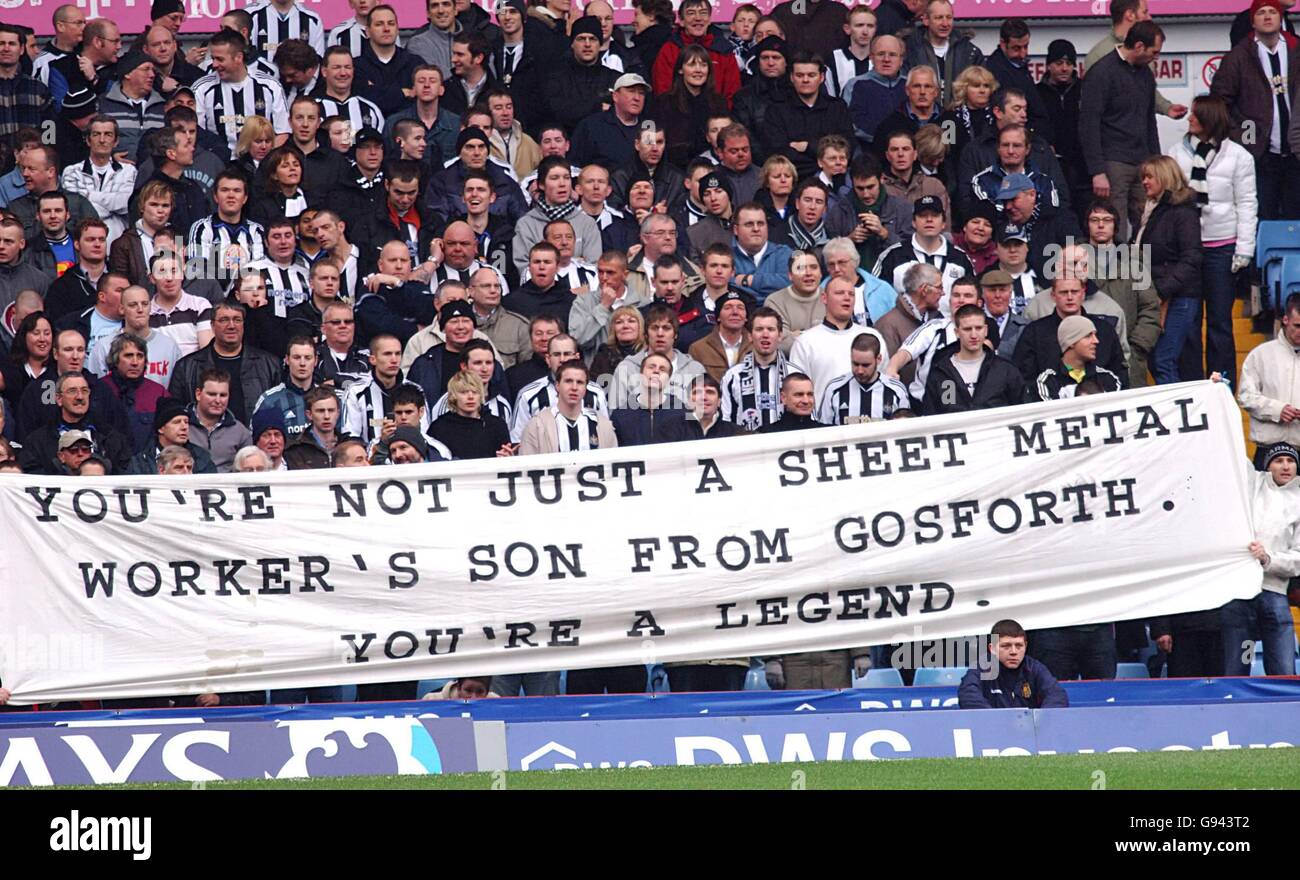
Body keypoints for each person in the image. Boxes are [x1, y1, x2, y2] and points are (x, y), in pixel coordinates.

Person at [1169, 95, 1258, 386]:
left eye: (1195, 115)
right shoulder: (1176, 153)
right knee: (1189, 324)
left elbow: (1247, 204)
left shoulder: (1239, 156)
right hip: (1187, 251)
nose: (1189, 119)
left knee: (1220, 323)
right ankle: (1193, 388)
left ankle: (1224, 389)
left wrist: (1244, 250)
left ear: (1209, 119)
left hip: (1222, 249)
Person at [1079, 20, 1164, 241]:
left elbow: (1149, 120)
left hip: (1143, 161)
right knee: (1114, 226)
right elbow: (1088, 124)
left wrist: (1156, 163)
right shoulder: (1101, 73)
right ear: (1138, 46)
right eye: (1154, 52)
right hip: (1113, 163)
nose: (1157, 57)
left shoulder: (1145, 74)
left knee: (1149, 223)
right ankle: (1115, 273)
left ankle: (1145, 272)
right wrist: (1097, 171)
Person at [1222, 442, 1300, 677]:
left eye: (1290, 461)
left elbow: (1298, 557)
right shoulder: (1252, 485)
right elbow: (1231, 449)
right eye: (1278, 461)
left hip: (1274, 592)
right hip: (1240, 593)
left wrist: (1268, 559)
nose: (1285, 466)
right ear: (1268, 466)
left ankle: (1286, 712)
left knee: (1283, 671)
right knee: (1237, 668)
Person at [1135, 155, 1202, 385]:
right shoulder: (1152, 211)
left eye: (1150, 176)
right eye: (1143, 177)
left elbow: (1192, 258)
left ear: (1165, 177)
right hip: (1159, 294)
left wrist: (1162, 290)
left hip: (1179, 297)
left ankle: (1177, 418)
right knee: (1159, 360)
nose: (1144, 182)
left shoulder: (1183, 213)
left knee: (1163, 359)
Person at [169, 298, 280, 425]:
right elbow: (175, 414)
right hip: (202, 442)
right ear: (212, 325)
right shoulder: (187, 367)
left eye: (237, 320)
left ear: (244, 324)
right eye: (224, 320)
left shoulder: (269, 364)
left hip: (254, 441)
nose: (231, 326)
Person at [1013, 275, 1127, 390]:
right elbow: (1023, 378)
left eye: (1074, 291)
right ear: (1053, 295)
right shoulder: (1034, 332)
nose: (1069, 297)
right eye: (1063, 292)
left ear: (1083, 293)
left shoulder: (1104, 330)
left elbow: (1120, 373)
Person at [790, 276, 888, 404]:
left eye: (851, 294)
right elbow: (796, 389)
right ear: (824, 298)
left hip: (868, 420)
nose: (847, 297)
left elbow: (885, 380)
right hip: (823, 422)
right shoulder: (805, 342)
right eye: (840, 293)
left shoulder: (872, 337)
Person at [194, 29, 290, 157]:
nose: (215, 64)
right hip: (219, 165)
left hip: (260, 165)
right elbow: (196, 133)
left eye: (220, 59)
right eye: (213, 59)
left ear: (239, 57)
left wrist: (265, 163)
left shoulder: (270, 86)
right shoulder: (201, 88)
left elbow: (282, 132)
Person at [761, 50, 855, 180]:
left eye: (811, 75)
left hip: (835, 180)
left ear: (821, 77)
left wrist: (807, 146)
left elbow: (847, 146)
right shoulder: (777, 110)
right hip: (793, 181)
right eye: (800, 75)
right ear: (791, 77)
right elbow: (777, 153)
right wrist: (823, 159)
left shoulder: (837, 107)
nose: (805, 80)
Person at [18, 372, 132, 474]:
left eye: (84, 391)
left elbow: (126, 475)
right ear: (59, 399)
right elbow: (30, 478)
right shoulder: (37, 441)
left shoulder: (112, 438)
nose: (80, 397)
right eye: (72, 391)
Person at [921, 303, 1024, 414]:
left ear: (985, 331)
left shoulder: (1006, 370)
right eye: (967, 329)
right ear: (957, 333)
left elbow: (1024, 412)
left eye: (978, 328)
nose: (974, 335)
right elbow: (931, 416)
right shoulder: (940, 372)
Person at [873, 196, 973, 298]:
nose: (929, 219)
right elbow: (875, 296)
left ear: (943, 223)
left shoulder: (961, 258)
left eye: (935, 215)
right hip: (904, 314)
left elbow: (973, 298)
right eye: (922, 215)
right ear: (913, 222)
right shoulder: (892, 255)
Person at [957, 619, 1069, 709]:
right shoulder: (982, 667)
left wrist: (1040, 719)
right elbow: (968, 695)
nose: (1013, 652)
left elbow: (1057, 695)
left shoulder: (1034, 668)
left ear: (1026, 646)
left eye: (1019, 646)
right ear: (992, 648)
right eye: (1006, 646)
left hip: (1029, 732)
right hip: (993, 731)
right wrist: (997, 720)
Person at [1241, 294, 1300, 458]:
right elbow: (1246, 396)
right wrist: (1276, 410)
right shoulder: (1260, 354)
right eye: (1298, 325)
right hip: (1268, 451)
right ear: (1286, 320)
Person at [519, 359, 617, 453]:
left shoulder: (602, 425)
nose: (574, 387)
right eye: (568, 381)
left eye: (580, 382)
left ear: (586, 388)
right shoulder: (537, 425)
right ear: (557, 385)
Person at [817, 331, 910, 424]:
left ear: (879, 359)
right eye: (855, 364)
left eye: (866, 365)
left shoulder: (897, 390)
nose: (860, 370)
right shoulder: (834, 389)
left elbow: (905, 430)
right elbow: (822, 429)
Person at [1028, 315, 1124, 401]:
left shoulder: (1108, 379)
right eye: (1088, 336)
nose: (1096, 341)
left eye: (1095, 335)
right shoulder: (1047, 381)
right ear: (1071, 342)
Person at [843, 34, 907, 151]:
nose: (886, 59)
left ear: (901, 60)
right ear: (871, 57)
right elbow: (849, 123)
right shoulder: (855, 85)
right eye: (881, 54)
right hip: (866, 151)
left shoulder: (909, 85)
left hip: (905, 152)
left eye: (892, 55)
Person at [124, 395, 217, 474]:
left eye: (186, 422)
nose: (184, 427)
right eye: (177, 422)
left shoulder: (202, 458)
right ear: (161, 428)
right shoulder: (139, 463)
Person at [609, 352, 684, 445]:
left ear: (668, 380)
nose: (656, 371)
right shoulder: (621, 415)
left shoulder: (681, 413)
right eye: (651, 367)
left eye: (662, 369)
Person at [253, 335, 318, 441]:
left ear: (315, 361)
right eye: (297, 357)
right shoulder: (269, 400)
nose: (302, 363)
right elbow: (255, 439)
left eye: (307, 358)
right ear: (287, 360)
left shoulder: (328, 398)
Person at [187, 369, 253, 472]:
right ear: (198, 394)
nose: (218, 401)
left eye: (223, 395)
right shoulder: (180, 425)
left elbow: (249, 470)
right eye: (212, 394)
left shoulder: (240, 432)